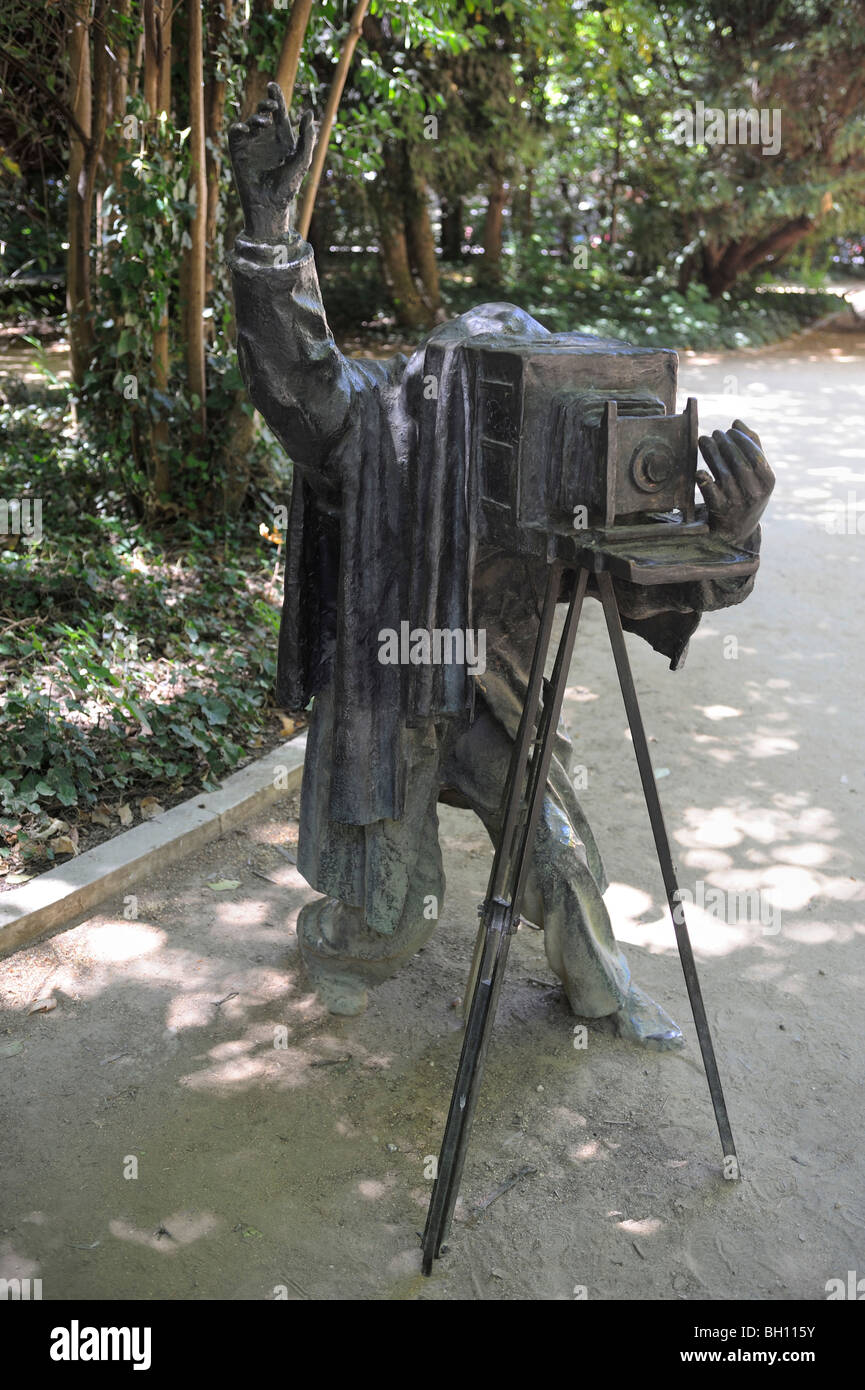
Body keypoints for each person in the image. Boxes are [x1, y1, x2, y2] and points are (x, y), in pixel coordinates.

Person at [227, 85, 775, 1045]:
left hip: (493, 701)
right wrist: (271, 229)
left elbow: (656, 584)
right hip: (393, 693)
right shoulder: (383, 425)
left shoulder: (552, 477)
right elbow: (296, 377)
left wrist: (730, 539)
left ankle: (603, 990)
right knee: (394, 921)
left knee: (558, 857)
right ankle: (336, 940)